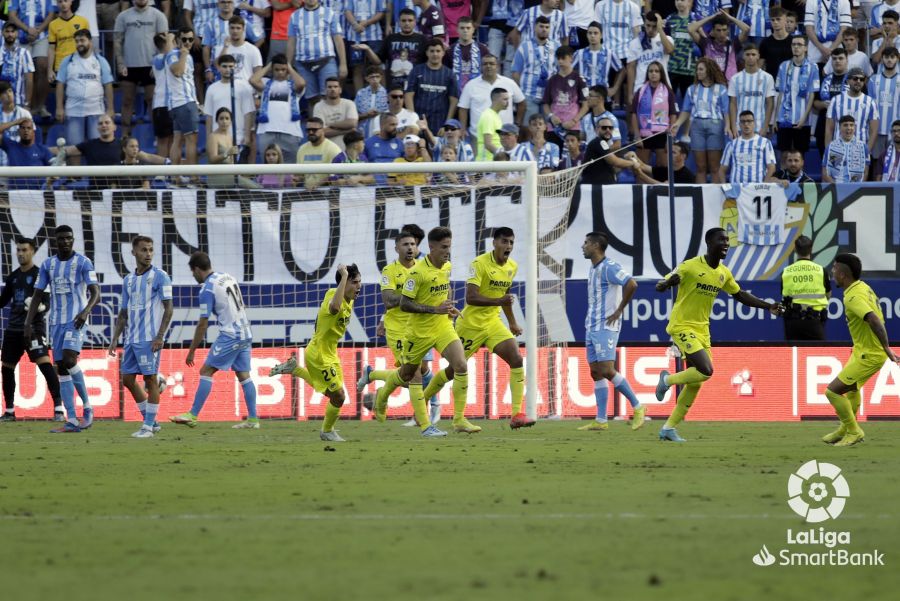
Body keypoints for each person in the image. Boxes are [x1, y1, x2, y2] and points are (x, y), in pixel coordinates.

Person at [653, 227, 784, 442]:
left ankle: (668, 428)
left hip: (702, 330)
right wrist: (667, 283)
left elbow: (740, 294)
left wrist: (767, 306)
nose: (726, 243)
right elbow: (668, 279)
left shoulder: (723, 273)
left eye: (727, 240)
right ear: (709, 242)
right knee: (706, 370)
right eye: (721, 240)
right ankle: (666, 380)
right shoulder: (691, 265)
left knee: (695, 382)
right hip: (682, 326)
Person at [416, 227, 536, 430]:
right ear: (495, 243)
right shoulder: (479, 264)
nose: (508, 246)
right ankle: (424, 400)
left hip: (493, 323)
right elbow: (470, 297)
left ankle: (517, 414)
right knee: (454, 370)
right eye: (504, 242)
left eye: (511, 242)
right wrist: (499, 300)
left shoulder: (511, 267)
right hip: (470, 324)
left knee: (516, 358)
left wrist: (513, 322)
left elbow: (505, 297)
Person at [368, 226, 470, 436]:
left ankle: (458, 419)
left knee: (460, 364)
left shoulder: (446, 266)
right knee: (409, 375)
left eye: (413, 244)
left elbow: (445, 286)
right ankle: (385, 396)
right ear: (432, 248)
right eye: (443, 247)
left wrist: (447, 307)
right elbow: (401, 303)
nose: (447, 251)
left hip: (440, 325)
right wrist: (434, 308)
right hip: (412, 331)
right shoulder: (412, 273)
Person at [357, 229, 442, 425]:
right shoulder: (390, 271)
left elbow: (429, 295)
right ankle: (427, 417)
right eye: (405, 244)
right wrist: (410, 295)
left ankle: (374, 376)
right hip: (398, 331)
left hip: (421, 326)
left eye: (412, 244)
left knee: (417, 371)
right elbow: (388, 300)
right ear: (397, 248)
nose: (410, 248)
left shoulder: (423, 268)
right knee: (411, 375)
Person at [269, 265, 362, 441]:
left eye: (360, 282)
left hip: (330, 353)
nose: (359, 286)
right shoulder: (332, 295)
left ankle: (295, 369)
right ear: (344, 283)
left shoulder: (349, 301)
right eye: (354, 282)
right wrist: (343, 276)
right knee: (339, 396)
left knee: (334, 395)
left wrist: (346, 278)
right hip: (319, 354)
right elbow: (334, 308)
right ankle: (327, 431)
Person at [23, 225, 101, 433]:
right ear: (55, 242)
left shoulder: (84, 262)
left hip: (76, 320)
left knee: (69, 359)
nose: (65, 242)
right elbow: (38, 294)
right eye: (61, 239)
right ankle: (72, 419)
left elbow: (95, 293)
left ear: (73, 239)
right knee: (62, 369)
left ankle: (87, 407)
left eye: (69, 238)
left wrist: (85, 313)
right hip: (55, 322)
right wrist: (28, 323)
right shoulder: (48, 265)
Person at [170, 251, 259, 429]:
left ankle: (193, 415)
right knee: (244, 375)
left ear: (196, 269)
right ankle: (253, 420)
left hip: (230, 335)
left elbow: (203, 323)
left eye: (192, 273)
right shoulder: (228, 277)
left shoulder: (207, 288)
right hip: (245, 331)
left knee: (206, 371)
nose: (193, 276)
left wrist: (192, 350)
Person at [821, 253, 899, 447]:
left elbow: (874, 319)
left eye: (834, 269)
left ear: (842, 274)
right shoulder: (862, 287)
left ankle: (854, 431)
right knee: (853, 391)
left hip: (870, 355)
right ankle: (845, 429)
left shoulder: (853, 297)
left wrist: (886, 348)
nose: (832, 272)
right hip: (862, 350)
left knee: (832, 392)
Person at [107, 236, 174, 438]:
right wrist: (114, 339)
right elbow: (123, 313)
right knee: (127, 379)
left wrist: (160, 336)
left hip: (149, 338)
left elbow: (169, 308)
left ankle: (147, 427)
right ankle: (151, 422)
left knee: (150, 379)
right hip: (131, 339)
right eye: (144, 250)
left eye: (151, 250)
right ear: (134, 252)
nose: (148, 254)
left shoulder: (161, 276)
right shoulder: (128, 280)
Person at [577, 231, 644, 431]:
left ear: (596, 246)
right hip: (591, 325)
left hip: (606, 326)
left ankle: (638, 406)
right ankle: (601, 420)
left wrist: (619, 310)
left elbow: (632, 283)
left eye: (586, 242)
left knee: (606, 369)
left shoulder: (610, 267)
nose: (583, 246)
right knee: (596, 372)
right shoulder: (593, 268)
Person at [0, 237, 63, 422]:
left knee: (44, 364)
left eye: (24, 250)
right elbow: (3, 301)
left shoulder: (39, 275)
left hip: (34, 328)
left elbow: (46, 302)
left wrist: (38, 307)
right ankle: (10, 411)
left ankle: (59, 408)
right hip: (13, 329)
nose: (20, 253)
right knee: (6, 368)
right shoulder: (13, 277)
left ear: (32, 251)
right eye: (18, 250)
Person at [669, 58, 729, 183]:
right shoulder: (692, 89)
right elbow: (686, 110)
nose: (698, 72)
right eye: (697, 70)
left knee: (714, 166)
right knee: (700, 166)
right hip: (696, 127)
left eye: (701, 69)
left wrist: (728, 125)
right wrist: (677, 124)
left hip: (715, 126)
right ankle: (701, 197)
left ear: (709, 70)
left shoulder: (721, 89)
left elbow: (726, 110)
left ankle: (714, 196)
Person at [113, 0, 168, 136]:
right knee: (127, 101)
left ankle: (156, 135)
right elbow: (117, 41)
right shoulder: (123, 16)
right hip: (129, 65)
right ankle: (125, 136)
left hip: (150, 65)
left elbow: (164, 43)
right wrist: (120, 63)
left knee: (152, 101)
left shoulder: (158, 15)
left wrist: (157, 63)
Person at [56, 29, 114, 151]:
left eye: (82, 40)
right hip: (73, 111)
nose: (79, 44)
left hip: (96, 111)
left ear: (90, 42)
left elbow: (108, 85)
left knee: (97, 149)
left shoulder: (100, 61)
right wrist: (59, 107)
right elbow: (60, 84)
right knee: (74, 150)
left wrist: (110, 108)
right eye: (77, 41)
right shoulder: (68, 61)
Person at [286, 0, 347, 109]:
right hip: (303, 63)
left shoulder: (329, 13)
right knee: (311, 99)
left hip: (326, 60)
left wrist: (343, 64)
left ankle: (330, 126)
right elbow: (291, 42)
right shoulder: (294, 16)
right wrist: (288, 66)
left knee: (329, 96)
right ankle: (314, 125)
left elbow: (338, 39)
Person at [458, 54, 525, 145]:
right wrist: (462, 128)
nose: (488, 66)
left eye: (492, 63)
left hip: (506, 137)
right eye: (485, 64)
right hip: (478, 138)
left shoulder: (509, 83)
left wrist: (517, 124)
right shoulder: (471, 85)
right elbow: (463, 109)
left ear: (497, 66)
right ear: (481, 67)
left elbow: (521, 103)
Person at [250, 54, 306, 163]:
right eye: (277, 69)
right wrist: (269, 65)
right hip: (267, 130)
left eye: (283, 69)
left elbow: (301, 83)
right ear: (272, 70)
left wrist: (289, 66)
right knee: (268, 169)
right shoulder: (266, 83)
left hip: (290, 132)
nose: (280, 72)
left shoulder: (293, 85)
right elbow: (253, 80)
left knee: (291, 170)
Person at [204, 54, 257, 162]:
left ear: (235, 67)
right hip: (218, 140)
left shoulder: (244, 87)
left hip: (238, 139)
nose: (228, 69)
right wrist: (209, 138)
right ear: (218, 67)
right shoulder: (212, 89)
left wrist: (247, 137)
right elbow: (209, 116)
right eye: (224, 66)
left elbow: (248, 113)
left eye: (231, 66)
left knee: (240, 175)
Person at [7, 0, 54, 118]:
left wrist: (38, 30)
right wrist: (27, 29)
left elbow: (51, 14)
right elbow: (11, 15)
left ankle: (41, 106)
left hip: (42, 35)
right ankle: (28, 106)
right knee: (25, 72)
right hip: (22, 36)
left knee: (42, 65)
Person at [774, 35, 819, 156]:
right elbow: (780, 93)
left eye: (799, 44)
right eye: (793, 44)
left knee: (800, 155)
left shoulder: (813, 67)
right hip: (784, 118)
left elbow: (811, 95)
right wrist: (775, 118)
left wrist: (804, 117)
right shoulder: (783, 66)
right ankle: (783, 176)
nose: (796, 47)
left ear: (806, 48)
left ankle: (799, 176)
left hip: (802, 119)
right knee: (784, 154)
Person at [780, 235, 830, 341]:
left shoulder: (786, 271)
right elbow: (828, 295)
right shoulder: (821, 270)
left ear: (795, 249)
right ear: (811, 249)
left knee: (793, 354)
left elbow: (783, 295)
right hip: (815, 321)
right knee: (817, 355)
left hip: (793, 322)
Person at [166, 27, 201, 173]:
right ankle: (193, 177)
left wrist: (197, 102)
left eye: (190, 39)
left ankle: (176, 177)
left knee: (178, 139)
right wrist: (184, 54)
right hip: (184, 103)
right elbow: (178, 72)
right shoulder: (175, 54)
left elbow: (189, 82)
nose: (187, 42)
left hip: (180, 104)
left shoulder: (187, 56)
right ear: (178, 40)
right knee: (191, 141)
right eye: (184, 39)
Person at [405, 38, 458, 135]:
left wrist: (447, 123)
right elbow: (408, 95)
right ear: (427, 53)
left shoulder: (450, 74)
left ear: (443, 53)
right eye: (432, 51)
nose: (435, 54)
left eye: (438, 51)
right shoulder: (416, 71)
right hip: (419, 123)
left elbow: (453, 101)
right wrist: (413, 120)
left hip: (440, 125)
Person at [511, 15, 560, 121]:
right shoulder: (524, 46)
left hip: (549, 96)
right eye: (541, 26)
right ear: (534, 27)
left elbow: (560, 70)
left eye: (547, 27)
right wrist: (524, 90)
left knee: (546, 129)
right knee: (530, 128)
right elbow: (515, 72)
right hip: (529, 95)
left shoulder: (556, 46)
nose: (544, 29)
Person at [630, 61, 677, 169]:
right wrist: (637, 136)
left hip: (662, 135)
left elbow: (673, 114)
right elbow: (633, 114)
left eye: (656, 71)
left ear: (661, 74)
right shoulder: (640, 91)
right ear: (647, 73)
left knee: (663, 169)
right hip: (644, 134)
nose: (653, 73)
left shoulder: (668, 91)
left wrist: (670, 137)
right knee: (640, 168)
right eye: (651, 71)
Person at [824, 67, 878, 152]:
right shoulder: (836, 100)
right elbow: (829, 129)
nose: (858, 81)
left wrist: (866, 152)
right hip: (838, 151)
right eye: (855, 78)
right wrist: (829, 152)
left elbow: (874, 131)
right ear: (848, 80)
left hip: (860, 152)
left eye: (862, 79)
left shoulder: (870, 102)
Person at [728, 43, 776, 139]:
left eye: (753, 54)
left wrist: (765, 126)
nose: (750, 57)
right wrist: (733, 126)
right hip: (740, 127)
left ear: (758, 56)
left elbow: (770, 104)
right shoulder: (735, 78)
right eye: (748, 54)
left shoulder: (767, 78)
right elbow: (733, 103)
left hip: (760, 126)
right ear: (743, 56)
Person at [206, 107, 262, 188]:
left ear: (230, 121)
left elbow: (231, 162)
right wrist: (226, 154)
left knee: (251, 182)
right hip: (217, 176)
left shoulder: (229, 136)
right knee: (253, 186)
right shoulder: (213, 137)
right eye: (221, 118)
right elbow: (212, 159)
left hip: (230, 174)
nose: (224, 121)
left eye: (227, 118)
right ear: (216, 121)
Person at [625, 11, 674, 101]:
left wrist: (660, 29)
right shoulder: (635, 43)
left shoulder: (667, 39)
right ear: (644, 24)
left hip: (663, 88)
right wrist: (630, 94)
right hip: (641, 88)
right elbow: (630, 68)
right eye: (648, 25)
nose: (650, 29)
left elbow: (669, 50)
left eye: (654, 26)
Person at [543, 45, 589, 140]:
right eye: (558, 58)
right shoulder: (552, 80)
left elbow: (585, 105)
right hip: (554, 127)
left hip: (572, 126)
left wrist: (574, 121)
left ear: (571, 58)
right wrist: (551, 117)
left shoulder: (579, 79)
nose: (560, 61)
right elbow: (545, 103)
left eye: (563, 58)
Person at [688, 12, 749, 81]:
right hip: (711, 82)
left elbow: (746, 29)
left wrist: (730, 17)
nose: (721, 34)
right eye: (718, 30)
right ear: (713, 30)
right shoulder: (706, 44)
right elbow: (690, 29)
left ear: (728, 30)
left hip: (729, 84)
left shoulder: (733, 44)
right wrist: (710, 18)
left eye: (724, 30)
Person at [719, 111, 778, 184]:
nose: (746, 124)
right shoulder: (731, 144)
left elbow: (772, 168)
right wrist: (726, 188)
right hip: (736, 189)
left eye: (749, 121)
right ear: (739, 124)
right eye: (743, 121)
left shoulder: (765, 143)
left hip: (757, 188)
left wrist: (764, 186)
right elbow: (722, 170)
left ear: (754, 123)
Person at [868, 46, 900, 176]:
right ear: (882, 59)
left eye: (892, 57)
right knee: (876, 160)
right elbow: (869, 105)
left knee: (896, 160)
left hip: (896, 129)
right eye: (886, 57)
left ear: (897, 59)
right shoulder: (873, 79)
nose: (889, 60)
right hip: (877, 129)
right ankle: (876, 189)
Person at [581, 116, 641, 184]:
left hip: (600, 186)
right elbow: (615, 161)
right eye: (604, 128)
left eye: (610, 128)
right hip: (596, 188)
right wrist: (633, 163)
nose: (608, 130)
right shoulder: (599, 142)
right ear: (596, 130)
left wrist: (625, 160)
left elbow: (613, 165)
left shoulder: (602, 144)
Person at [342, 0, 386, 92]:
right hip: (355, 35)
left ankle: (381, 96)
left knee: (377, 67)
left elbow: (381, 12)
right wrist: (355, 24)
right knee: (357, 68)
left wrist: (366, 23)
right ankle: (359, 98)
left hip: (374, 35)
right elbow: (347, 11)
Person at [813, 46, 849, 158]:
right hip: (823, 126)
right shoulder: (823, 79)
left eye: (840, 58)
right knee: (825, 162)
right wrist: (823, 104)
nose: (837, 61)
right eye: (834, 58)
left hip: (846, 127)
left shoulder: (855, 80)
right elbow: (814, 103)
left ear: (847, 60)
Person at [47, 0, 89, 87]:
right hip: (61, 66)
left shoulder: (83, 21)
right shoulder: (53, 25)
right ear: (57, 4)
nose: (63, 4)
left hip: (79, 64)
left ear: (71, 1)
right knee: (62, 98)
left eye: (66, 1)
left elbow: (88, 45)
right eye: (60, 2)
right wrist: (50, 70)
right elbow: (51, 48)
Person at [574, 21, 624, 94]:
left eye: (595, 33)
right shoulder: (579, 53)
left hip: (602, 96)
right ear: (587, 35)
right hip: (584, 96)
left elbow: (622, 70)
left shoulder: (609, 53)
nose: (592, 36)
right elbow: (568, 69)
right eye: (590, 33)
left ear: (601, 35)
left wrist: (614, 89)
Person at [295, 116, 342, 189]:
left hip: (327, 192)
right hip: (307, 191)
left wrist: (318, 185)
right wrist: (296, 179)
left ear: (323, 130)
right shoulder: (302, 149)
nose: (310, 132)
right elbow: (300, 175)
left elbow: (336, 176)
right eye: (308, 130)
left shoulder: (333, 149)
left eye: (314, 130)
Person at [313, 76, 359, 151]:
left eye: (335, 87)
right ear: (325, 90)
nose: (333, 89)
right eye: (329, 87)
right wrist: (346, 131)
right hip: (327, 150)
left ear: (340, 90)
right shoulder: (318, 106)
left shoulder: (349, 103)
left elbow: (352, 123)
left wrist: (330, 125)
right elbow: (321, 132)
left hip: (348, 150)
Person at [446, 16, 490, 92]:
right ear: (457, 30)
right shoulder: (450, 50)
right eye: (462, 28)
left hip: (478, 90)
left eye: (468, 28)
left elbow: (487, 71)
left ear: (473, 29)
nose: (465, 31)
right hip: (456, 90)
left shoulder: (482, 49)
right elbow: (446, 72)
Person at [823, 115, 870, 183]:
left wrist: (857, 187)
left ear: (855, 128)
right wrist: (836, 187)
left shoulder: (863, 147)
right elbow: (825, 173)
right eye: (845, 125)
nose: (849, 128)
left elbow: (865, 172)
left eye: (851, 125)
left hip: (856, 187)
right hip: (836, 186)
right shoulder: (832, 147)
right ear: (839, 127)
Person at [804, 0, 851, 66]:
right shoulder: (811, 1)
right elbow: (809, 29)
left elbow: (844, 29)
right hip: (814, 54)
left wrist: (830, 50)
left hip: (836, 55)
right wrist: (823, 49)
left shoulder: (844, 2)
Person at [665, 0, 696, 98]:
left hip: (689, 70)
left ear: (689, 2)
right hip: (672, 68)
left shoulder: (696, 19)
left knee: (689, 104)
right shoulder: (669, 19)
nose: (679, 2)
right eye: (677, 0)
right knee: (668, 102)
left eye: (682, 0)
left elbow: (703, 41)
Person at [1, 23, 35, 111]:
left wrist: (27, 104)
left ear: (17, 33)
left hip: (19, 103)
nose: (10, 34)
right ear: (2, 33)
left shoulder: (24, 53)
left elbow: (29, 80)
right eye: (7, 31)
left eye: (12, 31)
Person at [759, 6, 793, 80]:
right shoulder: (765, 43)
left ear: (785, 20)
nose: (775, 22)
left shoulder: (793, 41)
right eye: (773, 20)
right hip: (771, 83)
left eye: (778, 19)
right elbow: (760, 66)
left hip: (789, 81)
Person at [355, 66, 389, 139]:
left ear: (381, 77)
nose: (375, 79)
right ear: (366, 78)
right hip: (363, 129)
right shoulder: (360, 93)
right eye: (372, 77)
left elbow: (391, 113)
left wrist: (380, 114)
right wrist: (366, 114)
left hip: (380, 128)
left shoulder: (387, 93)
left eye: (377, 76)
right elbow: (354, 114)